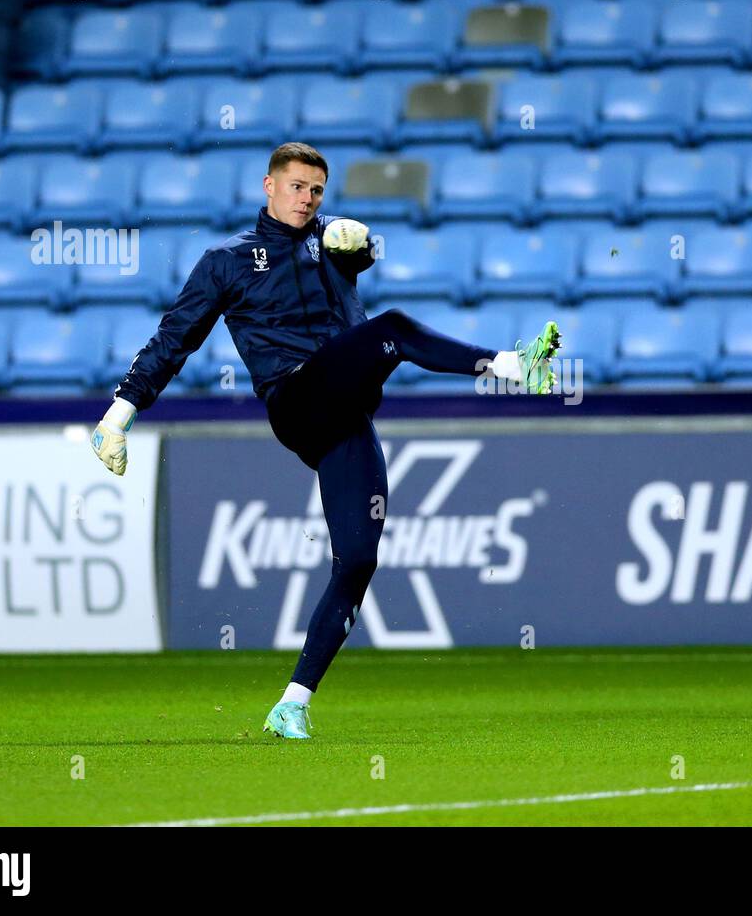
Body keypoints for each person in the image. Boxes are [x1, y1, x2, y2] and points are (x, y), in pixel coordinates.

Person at [90, 143, 563, 739]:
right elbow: (173, 339)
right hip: (296, 401)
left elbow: (356, 260)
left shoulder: (332, 245)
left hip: (344, 415)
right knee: (391, 329)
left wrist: (357, 245)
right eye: (296, 187)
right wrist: (118, 415)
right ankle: (511, 366)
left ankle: (291, 703)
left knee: (359, 560)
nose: (306, 199)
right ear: (268, 186)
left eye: (316, 190)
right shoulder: (227, 261)